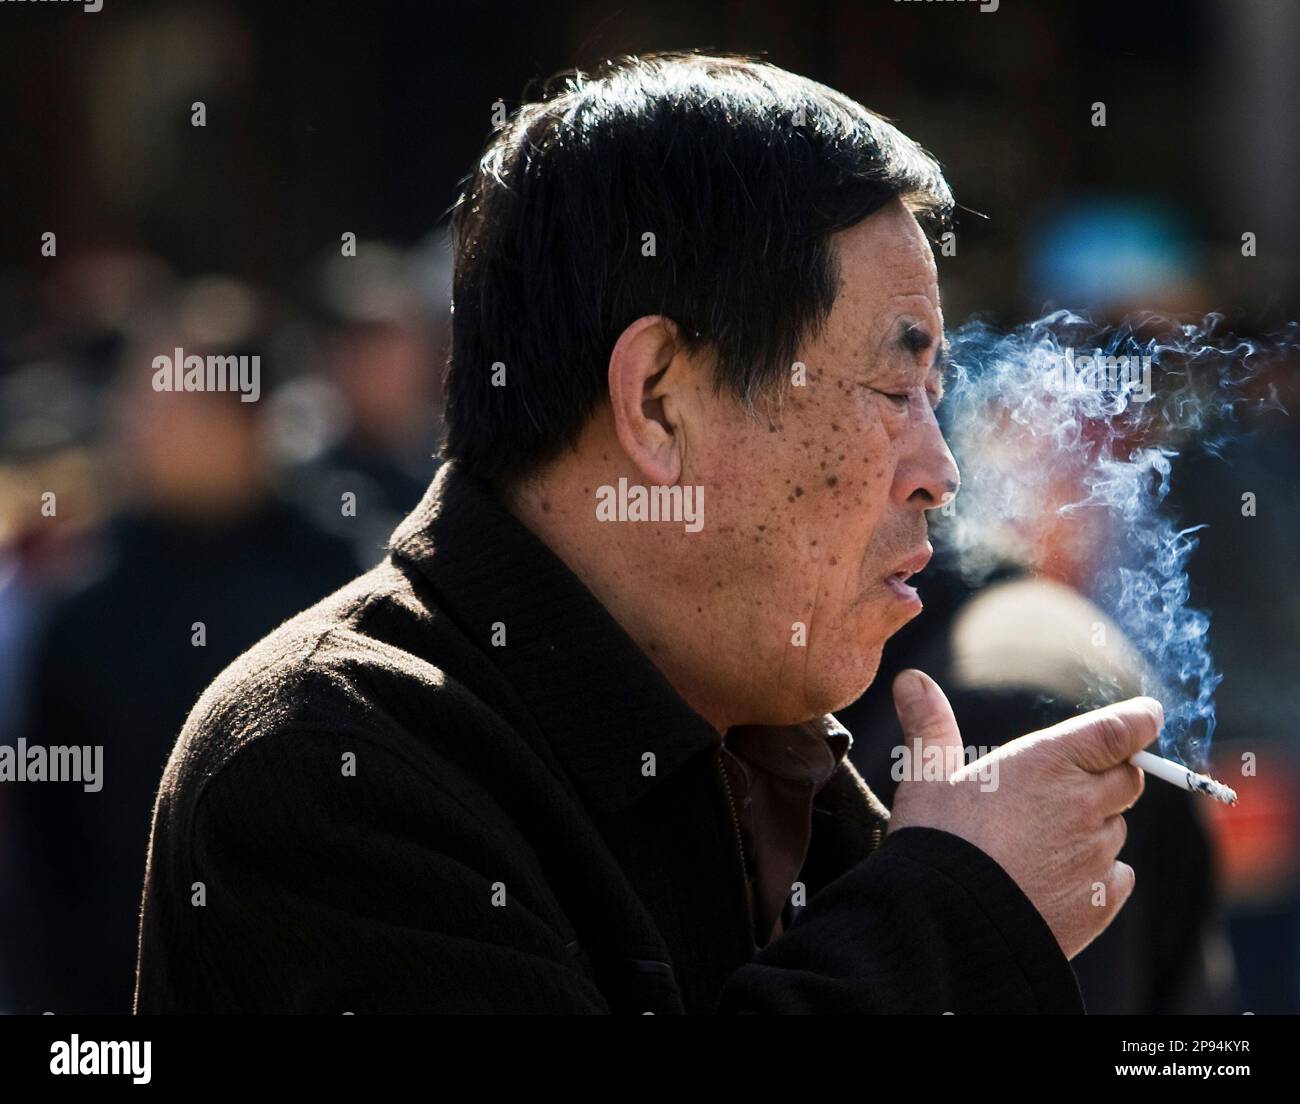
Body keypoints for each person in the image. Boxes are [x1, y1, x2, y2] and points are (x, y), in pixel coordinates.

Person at [135, 53, 1155, 1014]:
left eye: (936, 398)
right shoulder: (327, 770)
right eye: (893, 389)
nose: (940, 472)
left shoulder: (759, 754)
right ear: (658, 402)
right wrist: (950, 919)